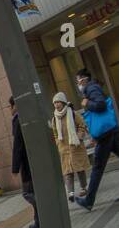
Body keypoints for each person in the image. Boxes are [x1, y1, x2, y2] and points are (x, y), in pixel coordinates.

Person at [74, 69, 119, 211]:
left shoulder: (91, 88)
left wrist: (87, 103)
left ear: (83, 80)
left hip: (105, 135)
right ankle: (89, 200)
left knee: (97, 168)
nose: (78, 84)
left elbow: (101, 105)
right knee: (98, 168)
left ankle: (88, 200)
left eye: (78, 81)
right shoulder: (92, 87)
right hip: (111, 132)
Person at [51, 94, 89, 201]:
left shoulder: (72, 113)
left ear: (63, 102)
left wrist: (79, 136)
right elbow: (55, 132)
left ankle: (83, 187)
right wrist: (58, 142)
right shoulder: (54, 118)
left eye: (58, 102)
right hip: (64, 148)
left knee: (79, 169)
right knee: (68, 172)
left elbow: (82, 125)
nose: (56, 104)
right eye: (54, 103)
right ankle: (71, 192)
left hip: (75, 146)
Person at [10, 96, 39, 228]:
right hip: (36, 158)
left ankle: (44, 210)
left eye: (10, 106)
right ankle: (38, 219)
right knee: (35, 190)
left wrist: (15, 167)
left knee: (28, 193)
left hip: (27, 162)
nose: (10, 110)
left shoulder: (18, 119)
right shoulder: (31, 114)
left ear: (15, 105)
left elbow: (18, 145)